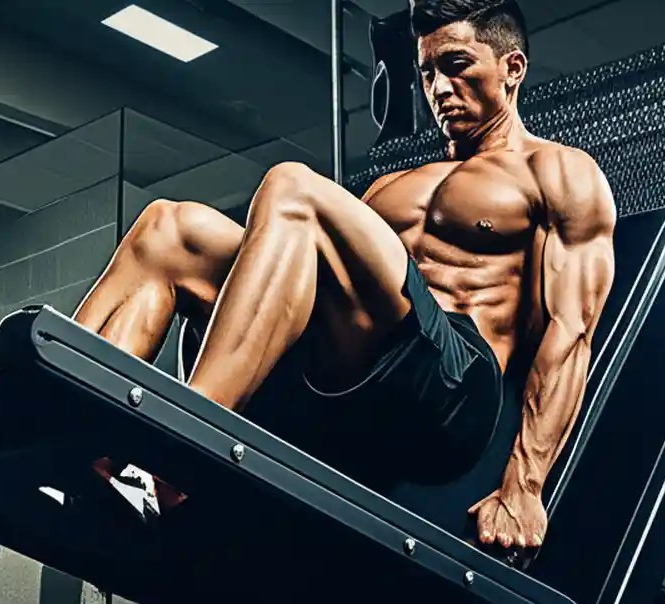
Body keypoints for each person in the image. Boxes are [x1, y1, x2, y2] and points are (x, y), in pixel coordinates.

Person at [73, 0, 616, 555]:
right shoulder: (391, 187)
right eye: (427, 71)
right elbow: (303, 279)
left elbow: (571, 332)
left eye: (456, 65)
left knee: (293, 188)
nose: (438, 87)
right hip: (350, 380)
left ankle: (176, 454)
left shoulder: (558, 171)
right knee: (168, 228)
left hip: (450, 392)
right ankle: (63, 426)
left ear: (513, 68)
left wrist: (524, 487)